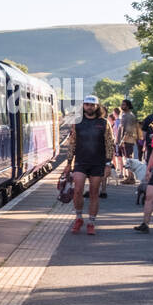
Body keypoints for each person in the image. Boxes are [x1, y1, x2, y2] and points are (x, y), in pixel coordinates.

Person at [62, 95, 110, 234]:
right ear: (83, 106)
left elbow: (109, 144)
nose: (89, 107)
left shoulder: (104, 123)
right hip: (81, 161)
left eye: (92, 105)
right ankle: (78, 218)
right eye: (87, 104)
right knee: (78, 190)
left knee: (94, 193)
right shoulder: (77, 122)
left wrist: (108, 164)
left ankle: (91, 222)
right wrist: (68, 163)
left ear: (97, 106)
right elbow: (72, 143)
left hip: (98, 162)